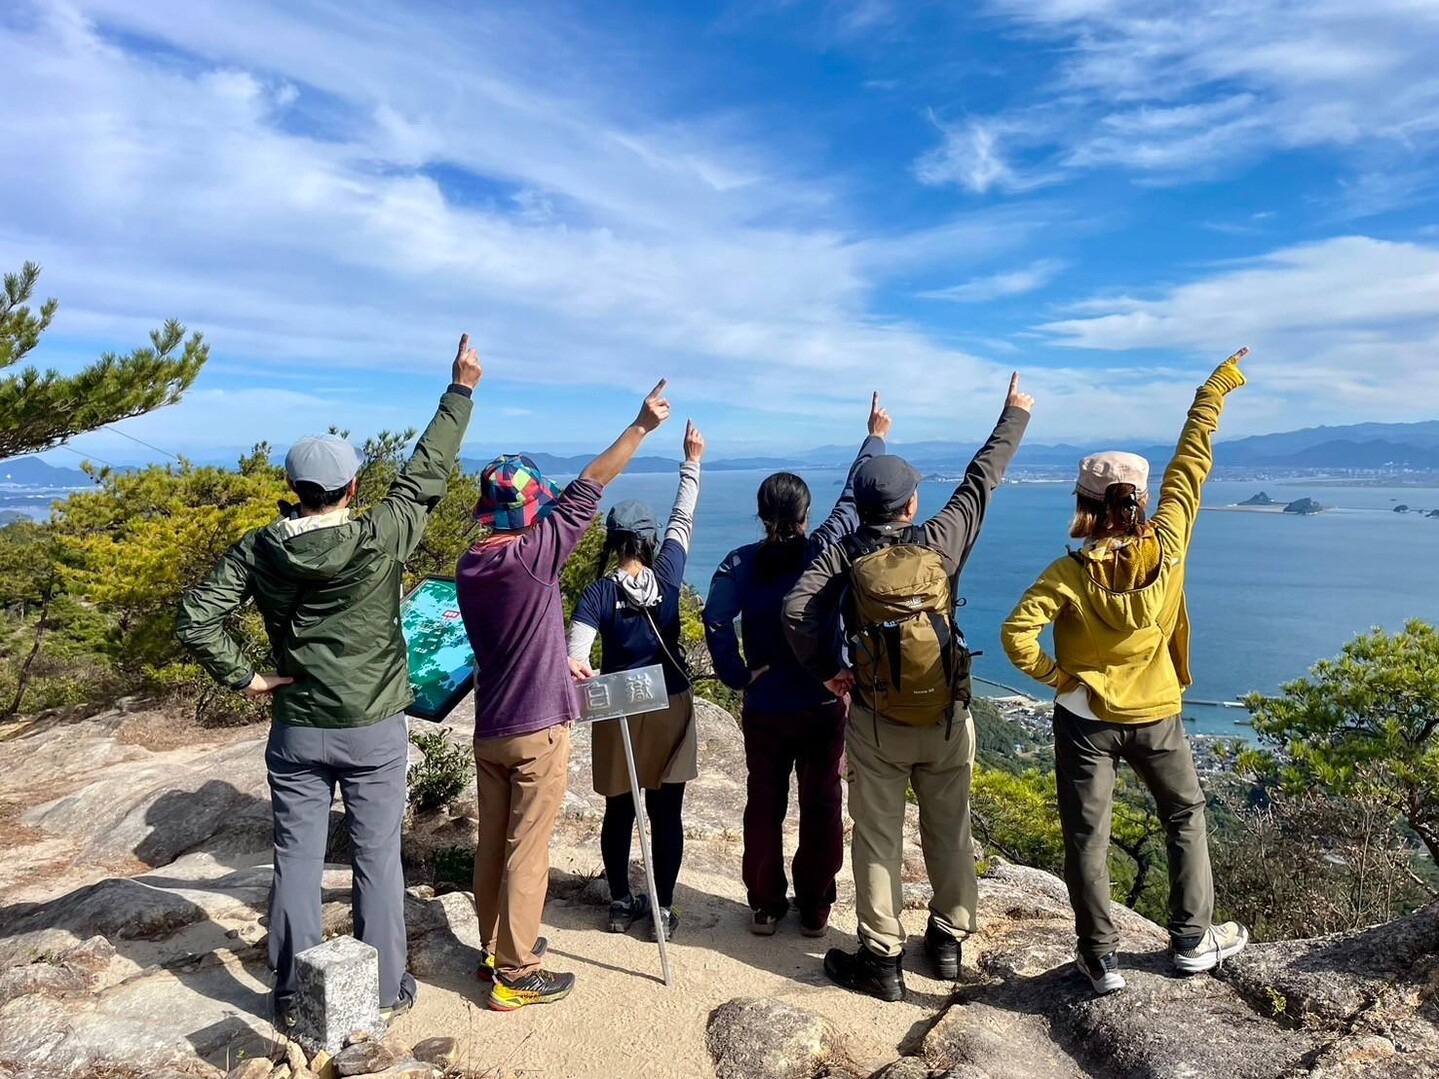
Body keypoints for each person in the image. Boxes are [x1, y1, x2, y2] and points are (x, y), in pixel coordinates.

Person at [176, 334, 482, 1030]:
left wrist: (248, 677)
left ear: (294, 490)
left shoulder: (261, 547)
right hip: (373, 729)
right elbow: (426, 473)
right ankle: (382, 989)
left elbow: (197, 617)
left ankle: (293, 994)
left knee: (296, 862)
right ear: (351, 487)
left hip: (298, 726)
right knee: (377, 858)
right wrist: (460, 389)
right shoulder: (382, 532)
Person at [1001, 349, 1251, 996]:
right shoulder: (1169, 540)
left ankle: (1099, 958)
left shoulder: (1068, 574)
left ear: (1086, 503)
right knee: (1185, 815)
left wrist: (1060, 679)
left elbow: (1014, 635)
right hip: (1158, 713)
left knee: (1088, 835)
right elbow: (1191, 459)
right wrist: (1213, 387)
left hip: (1085, 719)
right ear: (1139, 500)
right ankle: (1192, 941)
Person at [783, 373, 1033, 1003]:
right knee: (949, 829)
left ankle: (882, 959)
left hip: (875, 720)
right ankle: (947, 943)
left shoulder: (842, 554)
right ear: (910, 506)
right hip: (947, 719)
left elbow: (796, 611)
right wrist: (1013, 415)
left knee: (877, 836)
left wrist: (827, 670)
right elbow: (981, 483)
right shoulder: (938, 544)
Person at [456, 379, 671, 1013]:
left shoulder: (473, 565)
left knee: (493, 844)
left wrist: (557, 663)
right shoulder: (533, 555)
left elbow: (515, 637)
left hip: (491, 725)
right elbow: (589, 486)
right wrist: (640, 426)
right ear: (530, 511)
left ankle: (496, 948)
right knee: (529, 851)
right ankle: (518, 974)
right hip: (537, 731)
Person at [704, 392, 891, 939]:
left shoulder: (738, 562)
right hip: (821, 700)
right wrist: (875, 435)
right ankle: (814, 907)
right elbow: (854, 499)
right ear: (806, 514)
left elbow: (716, 622)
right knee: (822, 804)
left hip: (765, 706)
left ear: (762, 515)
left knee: (764, 803)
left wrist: (737, 675)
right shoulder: (824, 552)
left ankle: (764, 905)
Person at [566, 420, 705, 942]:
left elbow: (575, 658)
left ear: (613, 541)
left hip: (617, 707)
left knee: (620, 807)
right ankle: (663, 909)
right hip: (669, 703)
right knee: (667, 811)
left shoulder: (597, 595)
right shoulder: (667, 576)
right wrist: (691, 460)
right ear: (646, 542)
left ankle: (621, 903)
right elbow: (682, 518)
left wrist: (596, 675)